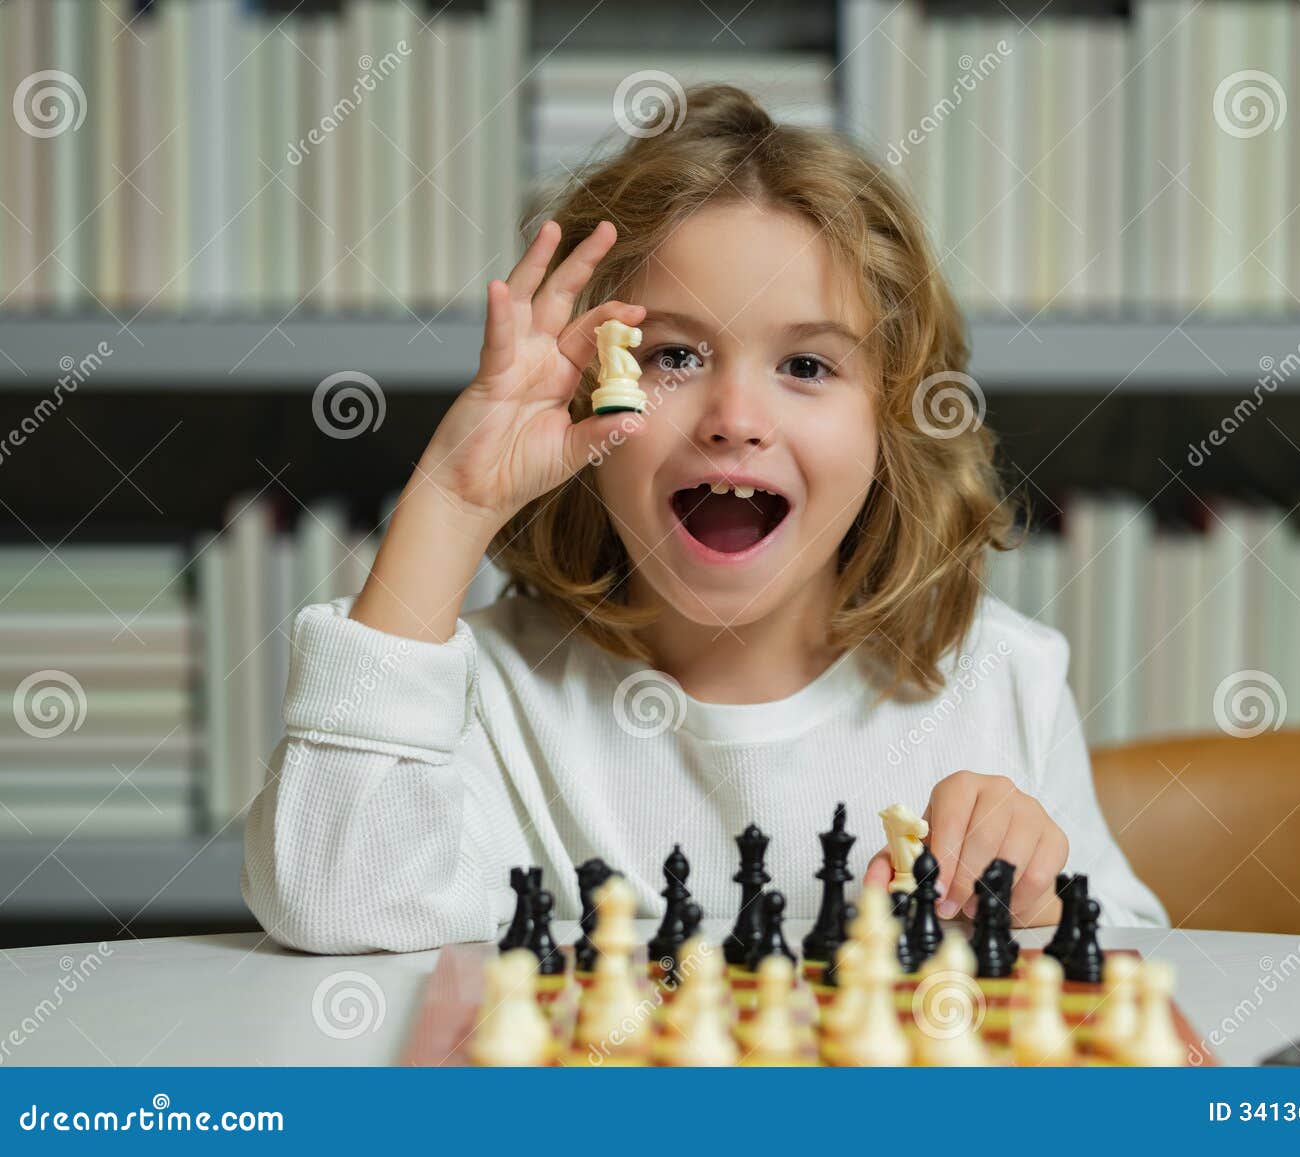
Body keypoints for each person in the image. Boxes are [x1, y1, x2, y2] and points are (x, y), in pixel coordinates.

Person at [241, 84, 1166, 953]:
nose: (734, 416)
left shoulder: (1003, 681)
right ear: (582, 399)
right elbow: (332, 899)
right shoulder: (487, 697)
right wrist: (451, 500)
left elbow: (1134, 952)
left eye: (807, 366)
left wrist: (1037, 904)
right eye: (675, 356)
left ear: (893, 423)